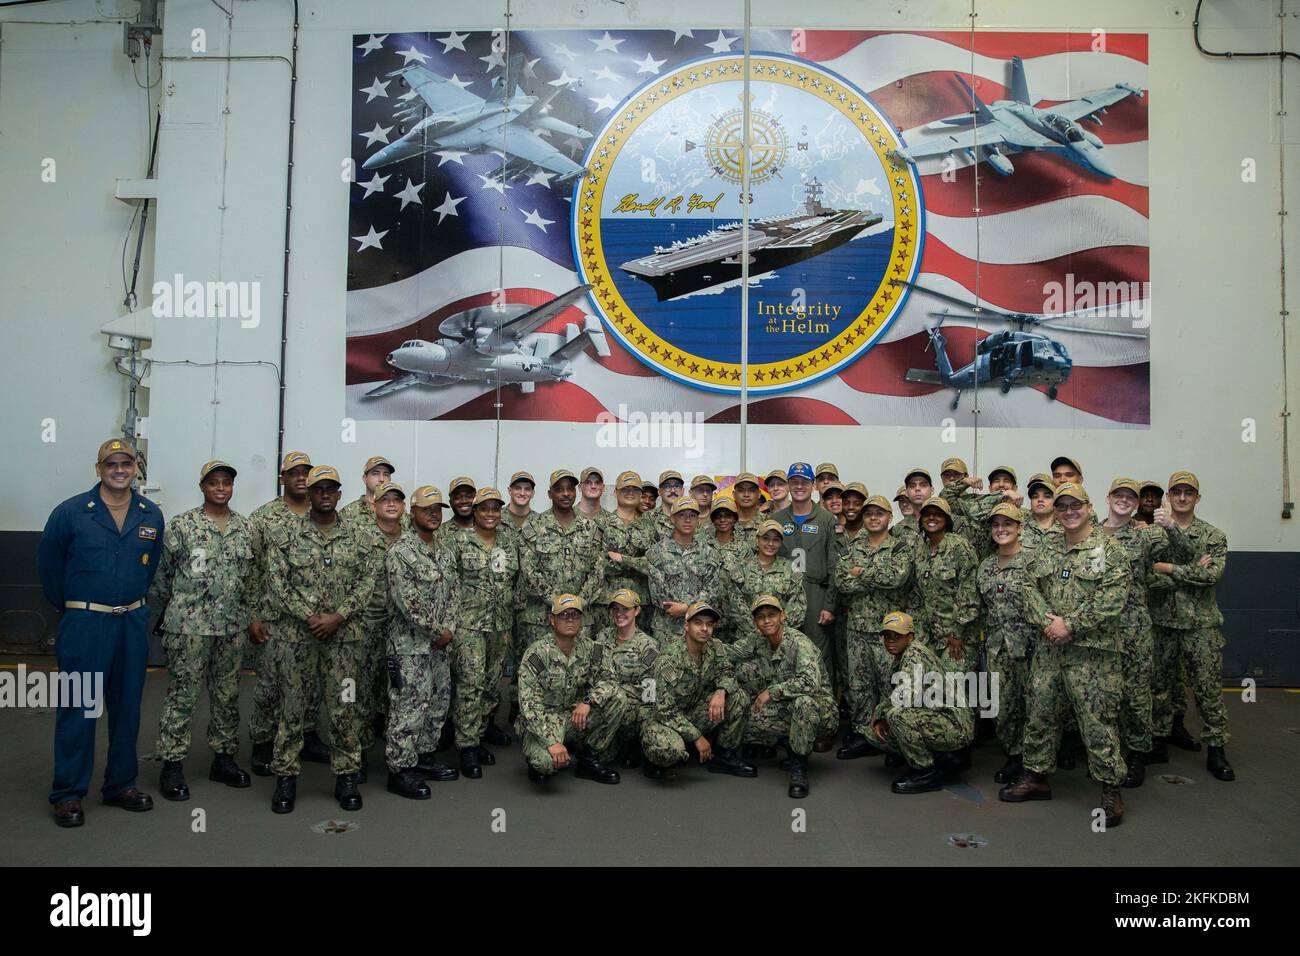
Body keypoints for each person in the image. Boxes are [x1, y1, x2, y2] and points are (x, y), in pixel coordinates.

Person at [39, 438, 165, 827]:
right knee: (79, 707)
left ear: (135, 468)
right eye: (111, 463)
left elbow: (150, 567)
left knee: (127, 707)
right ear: (98, 469)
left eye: (126, 463)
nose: (119, 469)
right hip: (85, 624)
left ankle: (120, 785)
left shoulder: (150, 514)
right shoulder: (71, 512)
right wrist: (78, 609)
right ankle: (68, 794)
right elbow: (49, 570)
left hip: (131, 623)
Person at [999, 482, 1129, 827]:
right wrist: (1049, 623)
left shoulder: (1109, 550)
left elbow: (1111, 601)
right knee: (1039, 711)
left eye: (1076, 505)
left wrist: (1070, 624)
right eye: (1062, 506)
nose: (1069, 512)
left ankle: (1110, 788)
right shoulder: (1046, 547)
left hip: (1093, 653)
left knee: (1097, 720)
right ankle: (1036, 776)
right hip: (1049, 650)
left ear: (1089, 507)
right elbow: (1026, 585)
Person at [265, 465, 382, 814]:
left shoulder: (361, 536)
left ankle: (346, 775)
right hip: (296, 639)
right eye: (319, 489)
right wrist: (309, 617)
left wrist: (338, 616)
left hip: (344, 641)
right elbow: (277, 581)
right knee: (292, 708)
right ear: (310, 494)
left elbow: (367, 582)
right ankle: (285, 776)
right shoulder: (285, 535)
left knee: (344, 708)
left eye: (332, 489)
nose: (325, 494)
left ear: (340, 494)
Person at [153, 459, 253, 801]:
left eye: (226, 482)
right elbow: (162, 577)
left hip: (231, 628)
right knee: (183, 695)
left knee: (228, 695)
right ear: (203, 487)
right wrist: (181, 609)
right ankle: (172, 764)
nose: (221, 488)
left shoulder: (244, 528)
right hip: (189, 628)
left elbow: (250, 579)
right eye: (214, 483)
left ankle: (223, 759)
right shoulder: (182, 527)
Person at [1147, 471, 1235, 781]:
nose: (1182, 497)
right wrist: (1187, 571)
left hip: (1201, 626)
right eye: (1176, 492)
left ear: (1197, 497)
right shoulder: (1154, 535)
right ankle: (1158, 739)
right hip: (1163, 623)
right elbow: (1147, 577)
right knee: (1158, 686)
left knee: (1207, 688)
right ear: (1168, 497)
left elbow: (1211, 577)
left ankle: (1216, 747)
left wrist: (1169, 567)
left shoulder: (1213, 536)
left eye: (1189, 492)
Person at [247, 451, 327, 774]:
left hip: (315, 619)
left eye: (306, 472)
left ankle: (305, 735)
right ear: (283, 478)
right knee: (271, 684)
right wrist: (253, 615)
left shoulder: (323, 513)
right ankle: (263, 742)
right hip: (275, 618)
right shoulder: (263, 518)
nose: (301, 477)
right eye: (294, 472)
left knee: (311, 684)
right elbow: (251, 570)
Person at [384, 485, 460, 799]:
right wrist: (437, 631)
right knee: (409, 706)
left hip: (440, 646)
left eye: (437, 509)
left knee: (438, 701)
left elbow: (455, 593)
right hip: (410, 647)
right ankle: (400, 768)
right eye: (426, 509)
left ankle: (424, 755)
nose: (433, 514)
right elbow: (407, 602)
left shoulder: (445, 549)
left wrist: (450, 629)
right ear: (411, 512)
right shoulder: (401, 551)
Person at [1101, 478, 1176, 788]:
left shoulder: (1145, 536)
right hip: (1101, 627)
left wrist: (1169, 524)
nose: (1124, 500)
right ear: (1108, 498)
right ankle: (1109, 751)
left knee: (1136, 693)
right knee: (1107, 691)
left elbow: (1180, 551)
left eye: (1130, 497)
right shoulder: (1090, 533)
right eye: (1119, 494)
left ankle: (1136, 755)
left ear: (1136, 503)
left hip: (1134, 626)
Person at [730, 596, 838, 798]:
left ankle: (799, 768)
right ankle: (790, 743)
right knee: (745, 723)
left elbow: (809, 683)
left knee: (803, 703)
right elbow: (729, 653)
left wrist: (771, 691)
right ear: (755, 622)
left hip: (820, 709)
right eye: (760, 617)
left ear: (783, 616)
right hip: (786, 706)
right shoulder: (757, 639)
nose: (766, 621)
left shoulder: (799, 643)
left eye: (771, 615)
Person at [446, 487, 521, 778]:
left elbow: (513, 580)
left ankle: (476, 735)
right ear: (474, 512)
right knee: (470, 685)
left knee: (491, 686)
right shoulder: (459, 542)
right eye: (484, 509)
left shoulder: (508, 541)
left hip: (500, 626)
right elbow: (450, 584)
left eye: (495, 509)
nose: (490, 514)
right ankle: (466, 747)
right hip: (469, 626)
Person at [833, 495, 913, 760]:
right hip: (856, 628)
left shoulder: (899, 548)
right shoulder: (852, 546)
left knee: (890, 684)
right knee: (859, 685)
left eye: (879, 514)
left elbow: (897, 578)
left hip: (888, 632)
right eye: (869, 515)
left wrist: (861, 573)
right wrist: (871, 576)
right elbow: (842, 581)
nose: (873, 518)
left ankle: (892, 736)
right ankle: (863, 733)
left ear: (890, 518)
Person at [640, 601, 757, 780]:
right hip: (664, 719)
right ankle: (653, 760)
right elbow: (663, 710)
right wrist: (696, 737)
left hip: (692, 712)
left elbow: (726, 671)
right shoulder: (670, 658)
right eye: (698, 623)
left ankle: (724, 756)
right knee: (670, 750)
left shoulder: (715, 647)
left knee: (738, 698)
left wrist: (720, 691)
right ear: (686, 626)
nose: (705, 629)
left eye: (709, 624)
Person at [516, 594, 624, 786]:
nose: (570, 620)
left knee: (618, 698)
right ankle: (538, 755)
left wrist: (588, 701)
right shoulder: (537, 654)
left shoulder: (592, 649)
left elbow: (610, 680)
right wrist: (551, 741)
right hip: (544, 721)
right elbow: (529, 706)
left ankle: (588, 759)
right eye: (564, 615)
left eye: (575, 615)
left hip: (575, 717)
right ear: (552, 620)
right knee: (546, 764)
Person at [870, 611, 975, 794]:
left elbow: (906, 697)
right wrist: (879, 715)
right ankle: (944, 758)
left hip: (954, 725)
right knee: (873, 731)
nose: (891, 641)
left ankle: (925, 772)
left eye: (897, 636)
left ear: (910, 637)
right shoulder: (903, 654)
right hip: (939, 717)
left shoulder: (914, 655)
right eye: (887, 636)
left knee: (896, 716)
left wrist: (882, 714)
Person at [976, 502, 1040, 784]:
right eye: (996, 525)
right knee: (1002, 707)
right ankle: (1014, 755)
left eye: (1008, 524)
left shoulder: (1035, 561)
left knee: (1034, 706)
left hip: (1031, 647)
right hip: (997, 647)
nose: (1001, 530)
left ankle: (1034, 763)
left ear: (1020, 528)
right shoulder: (986, 566)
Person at [771, 462, 840, 710]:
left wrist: (830, 604)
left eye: (804, 482)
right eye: (794, 481)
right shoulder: (776, 519)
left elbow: (835, 565)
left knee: (819, 656)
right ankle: (787, 716)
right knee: (785, 654)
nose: (799, 486)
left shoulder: (826, 519)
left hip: (816, 595)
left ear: (813, 485)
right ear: (789, 485)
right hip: (784, 596)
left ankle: (824, 716)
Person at [518, 469, 606, 650]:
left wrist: (579, 602)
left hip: (579, 618)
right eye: (559, 489)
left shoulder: (590, 528)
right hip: (542, 620)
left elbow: (598, 570)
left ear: (576, 492)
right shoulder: (534, 526)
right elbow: (528, 571)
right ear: (550, 494)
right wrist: (556, 603)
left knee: (579, 670)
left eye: (570, 489)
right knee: (540, 672)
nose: (565, 494)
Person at [355, 482, 408, 772]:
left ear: (403, 507)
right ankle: (359, 752)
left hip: (401, 627)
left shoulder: (411, 539)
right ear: (373, 505)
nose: (390, 504)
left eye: (396, 500)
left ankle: (397, 751)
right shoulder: (359, 538)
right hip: (367, 623)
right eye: (384, 499)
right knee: (362, 690)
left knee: (400, 688)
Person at [911, 497, 980, 679]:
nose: (932, 518)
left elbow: (969, 591)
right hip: (932, 638)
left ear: (947, 519)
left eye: (938, 514)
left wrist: (957, 633)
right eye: (927, 514)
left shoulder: (959, 546)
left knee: (952, 693)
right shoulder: (920, 549)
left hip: (958, 640)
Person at [592, 589, 659, 768]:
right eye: (615, 609)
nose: (619, 614)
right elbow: (594, 669)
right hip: (604, 703)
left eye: (625, 609)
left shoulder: (648, 646)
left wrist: (644, 725)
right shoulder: (602, 637)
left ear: (637, 611)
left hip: (630, 712)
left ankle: (633, 744)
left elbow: (649, 692)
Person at [643, 497, 723, 644]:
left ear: (698, 520)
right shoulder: (656, 552)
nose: (687, 520)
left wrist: (687, 607)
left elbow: (712, 589)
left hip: (699, 628)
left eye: (692, 515)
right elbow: (657, 592)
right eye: (682, 515)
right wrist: (682, 607)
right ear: (672, 519)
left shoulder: (709, 553)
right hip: (666, 629)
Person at [729, 519, 805, 646]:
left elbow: (798, 606)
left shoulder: (791, 569)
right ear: (757, 540)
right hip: (749, 641)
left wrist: (776, 631)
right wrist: (758, 631)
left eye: (776, 540)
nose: (770, 543)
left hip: (781, 641)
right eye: (765, 538)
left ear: (781, 543)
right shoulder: (741, 569)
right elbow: (736, 607)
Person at [339, 455, 396, 525]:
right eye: (375, 474)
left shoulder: (397, 512)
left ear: (390, 479)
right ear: (365, 478)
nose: (381, 479)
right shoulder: (347, 513)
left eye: (386, 474)